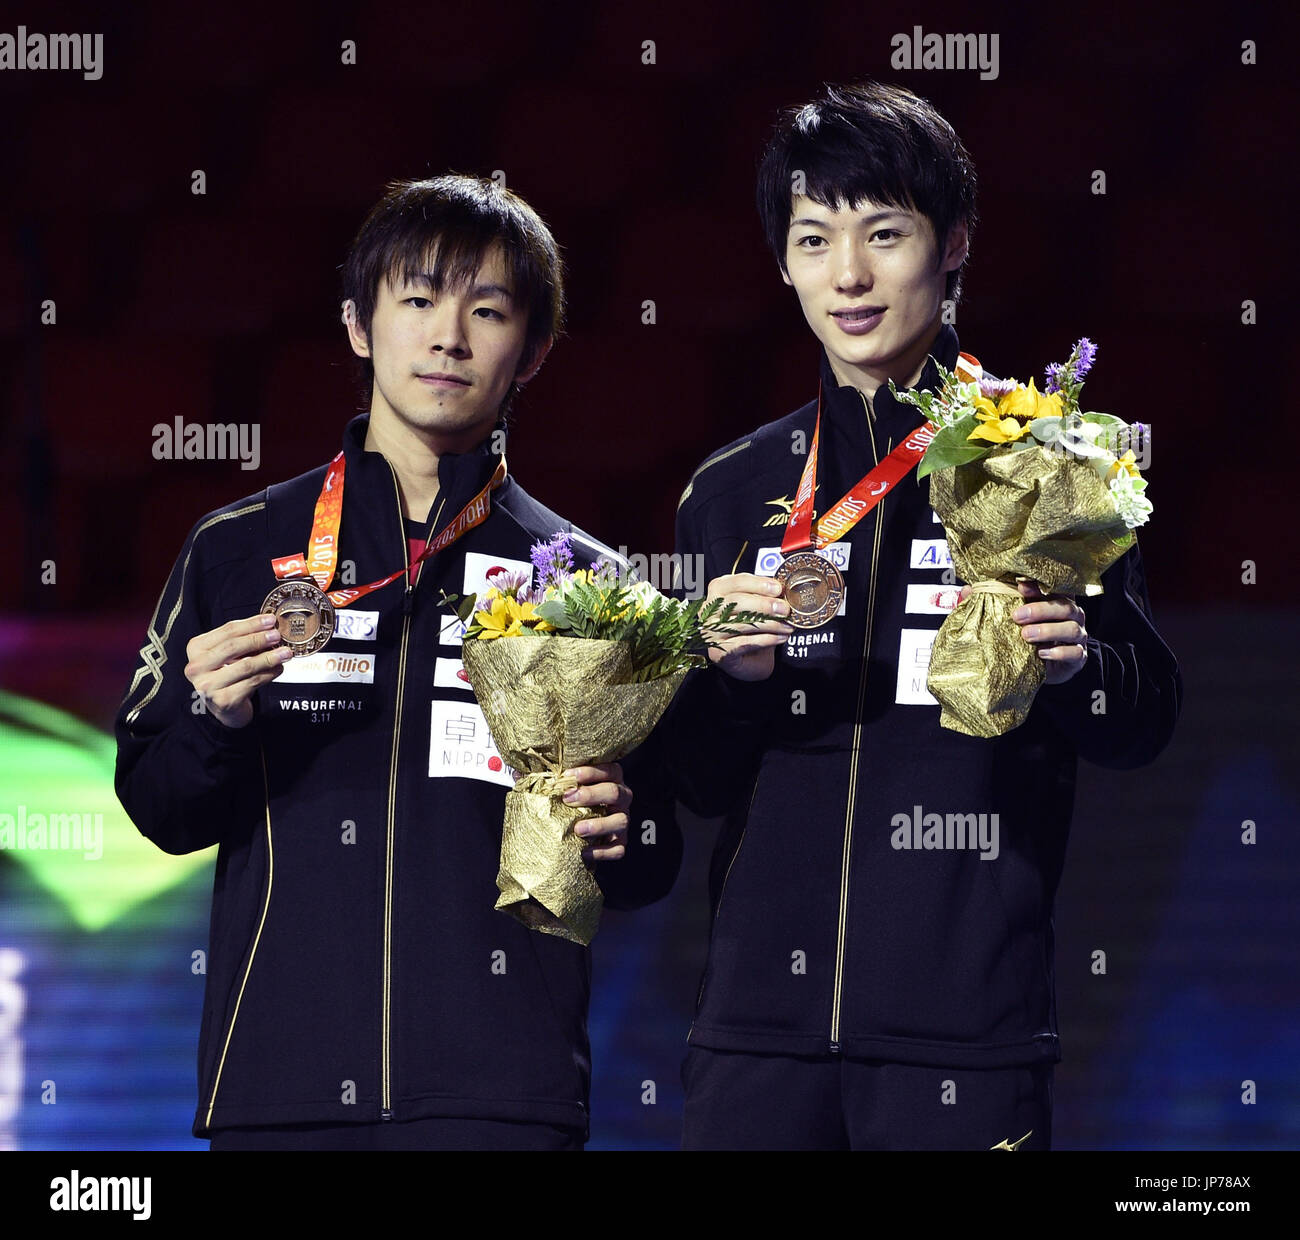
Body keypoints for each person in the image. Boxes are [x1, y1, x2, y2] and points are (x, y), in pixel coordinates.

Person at [114, 174, 680, 1151]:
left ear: (533, 351)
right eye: (417, 299)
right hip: (279, 1082)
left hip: (499, 1092)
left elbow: (652, 855)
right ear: (358, 326)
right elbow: (161, 808)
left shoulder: (590, 583)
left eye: (488, 310)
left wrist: (623, 828)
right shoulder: (239, 548)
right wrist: (214, 716)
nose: (448, 336)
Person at [667, 81, 1182, 1150]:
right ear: (783, 262)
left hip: (966, 1037)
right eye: (813, 240)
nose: (847, 275)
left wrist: (1076, 665)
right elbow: (699, 784)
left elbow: (1145, 719)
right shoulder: (730, 487)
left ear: (952, 245)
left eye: (883, 234)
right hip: (756, 1038)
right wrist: (729, 679)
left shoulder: (1047, 462)